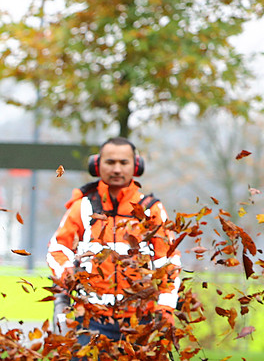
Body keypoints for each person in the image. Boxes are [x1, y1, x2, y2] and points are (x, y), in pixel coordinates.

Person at [46, 136, 181, 348]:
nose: (117, 169)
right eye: (110, 162)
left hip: (139, 321)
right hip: (89, 320)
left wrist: (165, 307)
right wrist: (68, 274)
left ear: (136, 166)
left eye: (123, 163)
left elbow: (169, 262)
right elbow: (57, 249)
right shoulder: (83, 207)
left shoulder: (150, 210)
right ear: (97, 165)